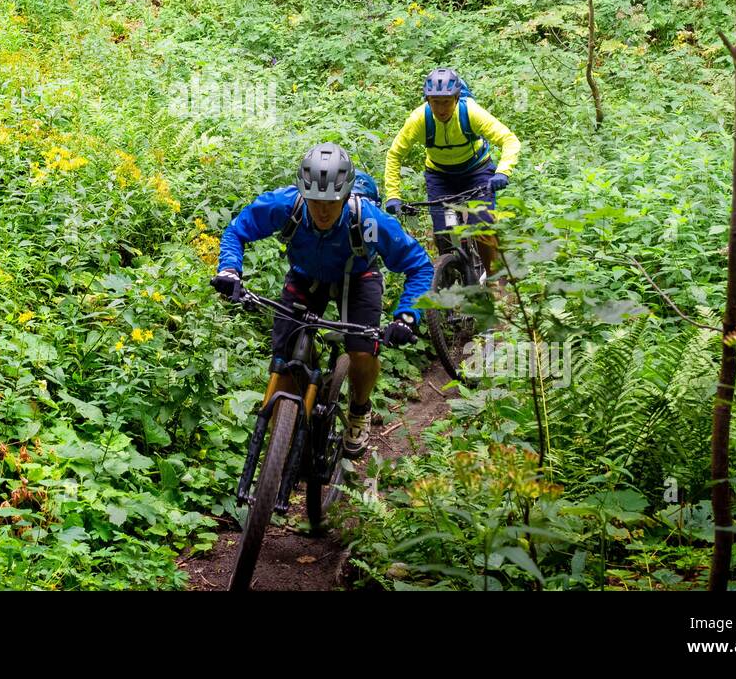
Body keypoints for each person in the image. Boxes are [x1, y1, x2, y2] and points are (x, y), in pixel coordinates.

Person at [211, 143, 434, 458]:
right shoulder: (286, 206)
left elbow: (420, 266)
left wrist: (407, 317)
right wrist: (230, 270)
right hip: (306, 276)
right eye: (315, 200)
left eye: (332, 201)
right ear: (303, 193)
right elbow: (237, 231)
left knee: (361, 351)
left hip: (358, 277)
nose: (323, 210)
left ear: (346, 195)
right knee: (285, 355)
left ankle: (358, 409)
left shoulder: (368, 219)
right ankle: (283, 440)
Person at [383, 67, 521, 281]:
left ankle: (496, 281)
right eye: (435, 101)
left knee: (482, 226)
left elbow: (509, 140)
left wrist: (502, 172)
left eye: (446, 101)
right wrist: (393, 195)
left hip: (477, 173)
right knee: (444, 235)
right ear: (427, 100)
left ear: (456, 98)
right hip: (441, 178)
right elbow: (394, 155)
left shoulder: (470, 112)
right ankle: (450, 284)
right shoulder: (419, 119)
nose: (441, 108)